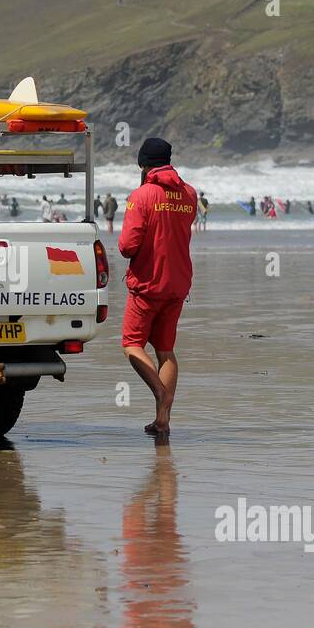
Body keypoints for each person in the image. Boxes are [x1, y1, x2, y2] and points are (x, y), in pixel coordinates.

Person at [118, 138, 198, 437]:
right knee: (166, 350)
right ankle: (162, 420)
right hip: (178, 283)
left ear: (143, 165)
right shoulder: (189, 193)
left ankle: (161, 394)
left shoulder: (142, 195)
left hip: (148, 284)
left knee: (131, 344)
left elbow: (127, 246)